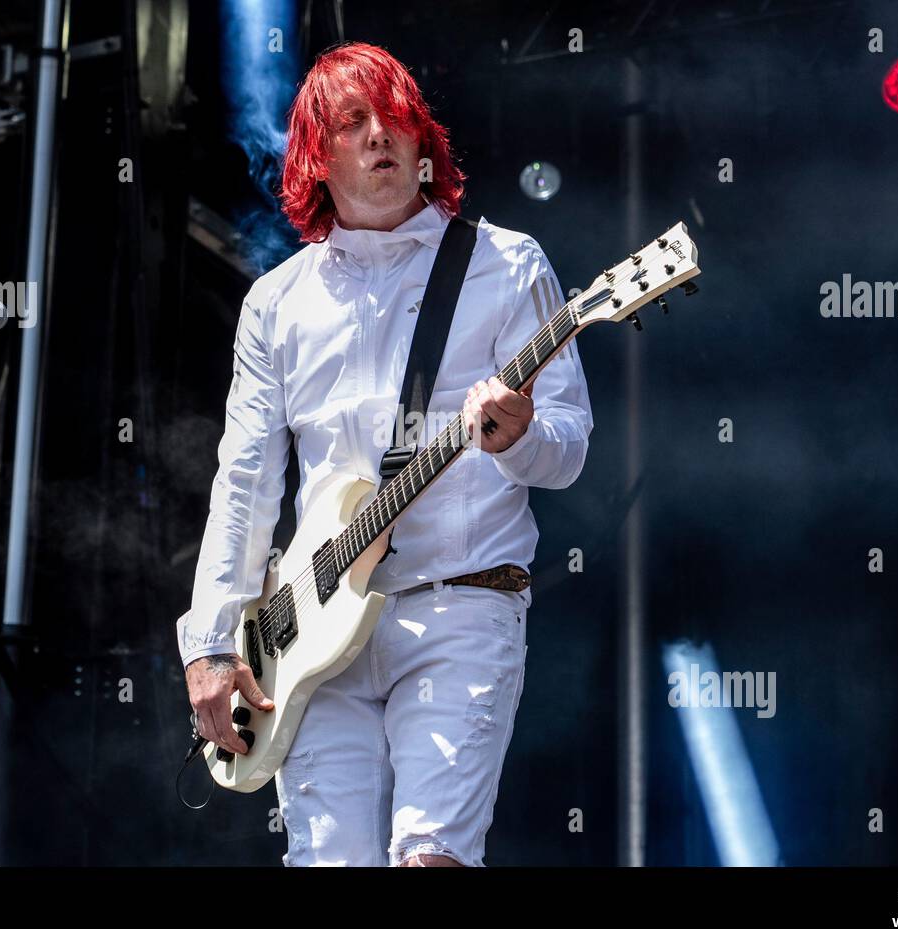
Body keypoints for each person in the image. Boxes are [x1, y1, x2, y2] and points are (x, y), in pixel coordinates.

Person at [177, 41, 593, 866]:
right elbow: (247, 479)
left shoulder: (506, 266)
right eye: (354, 121)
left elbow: (568, 448)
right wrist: (213, 640)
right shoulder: (278, 302)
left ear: (421, 140)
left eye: (396, 117)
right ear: (315, 156)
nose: (381, 136)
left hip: (460, 603)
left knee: (432, 856)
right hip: (306, 640)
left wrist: (518, 439)